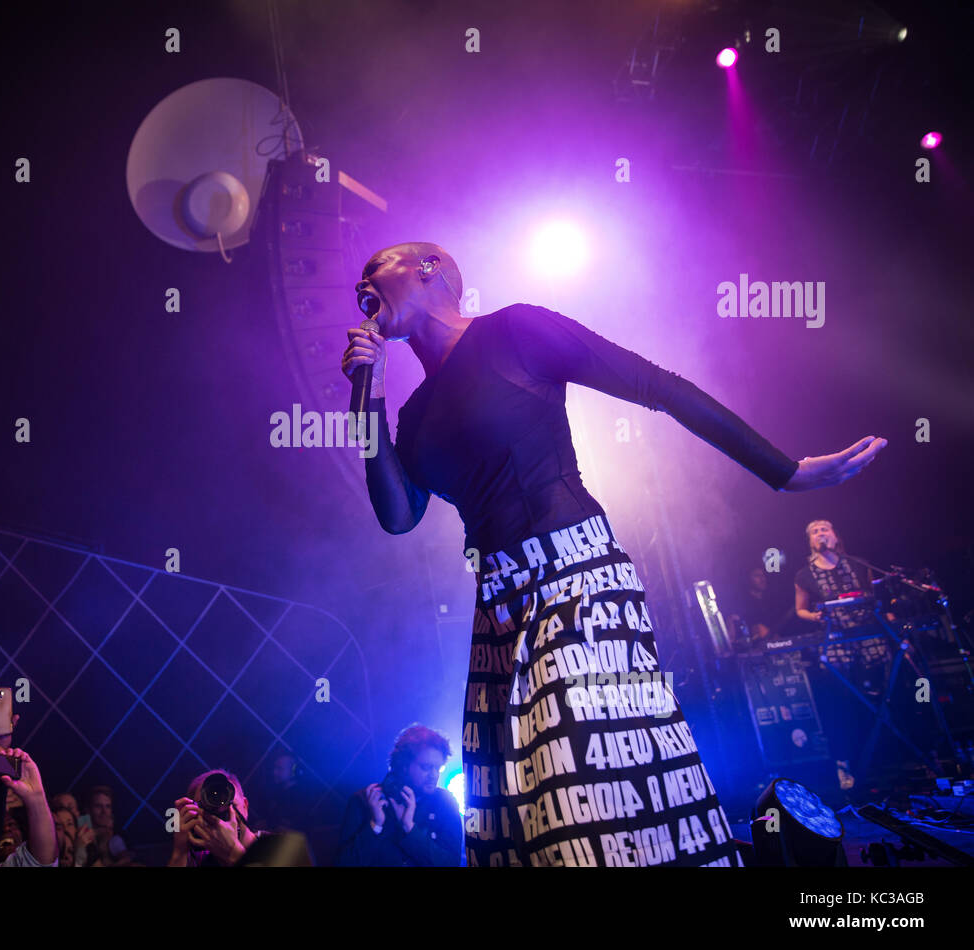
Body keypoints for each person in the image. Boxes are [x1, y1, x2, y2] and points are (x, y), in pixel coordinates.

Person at [342, 242, 887, 867]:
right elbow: (396, 515)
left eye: (374, 266)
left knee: (587, 770)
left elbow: (657, 385)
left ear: (429, 268)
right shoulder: (411, 418)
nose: (362, 281)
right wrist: (369, 392)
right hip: (497, 605)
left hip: (577, 577)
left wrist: (784, 471)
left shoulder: (513, 330)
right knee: (520, 801)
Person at [793, 519, 894, 789]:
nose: (820, 533)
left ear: (835, 537)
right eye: (814, 531)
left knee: (880, 694)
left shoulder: (859, 564)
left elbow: (877, 597)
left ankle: (886, 758)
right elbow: (800, 609)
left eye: (825, 529)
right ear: (810, 541)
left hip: (868, 634)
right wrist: (815, 616)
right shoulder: (804, 575)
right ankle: (844, 765)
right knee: (841, 700)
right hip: (835, 639)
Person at [336, 723, 463, 866]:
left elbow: (451, 863)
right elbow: (344, 863)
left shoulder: (445, 802)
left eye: (438, 768)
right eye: (426, 767)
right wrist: (375, 825)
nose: (434, 775)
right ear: (404, 766)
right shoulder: (363, 801)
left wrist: (409, 827)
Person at [168, 770, 262, 867]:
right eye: (209, 811)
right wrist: (179, 852)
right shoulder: (198, 860)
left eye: (230, 805)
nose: (220, 820)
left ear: (245, 807)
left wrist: (233, 853)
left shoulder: (275, 845)